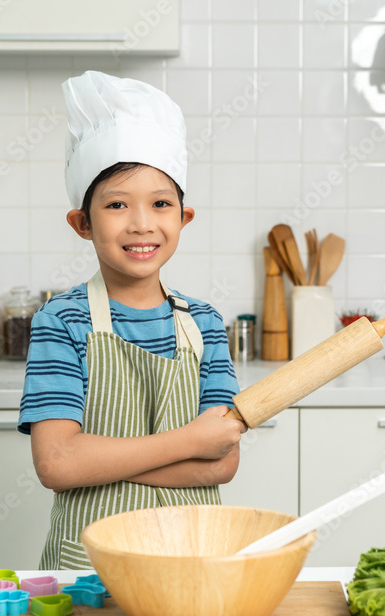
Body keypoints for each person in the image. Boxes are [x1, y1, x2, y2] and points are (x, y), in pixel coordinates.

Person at [18, 71, 246, 570]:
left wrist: (99, 463)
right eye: (117, 204)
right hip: (89, 573)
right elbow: (56, 464)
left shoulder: (205, 324)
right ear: (82, 223)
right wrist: (189, 444)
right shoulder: (62, 322)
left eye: (161, 203)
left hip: (192, 561)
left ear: (183, 218)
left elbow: (223, 463)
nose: (142, 223)